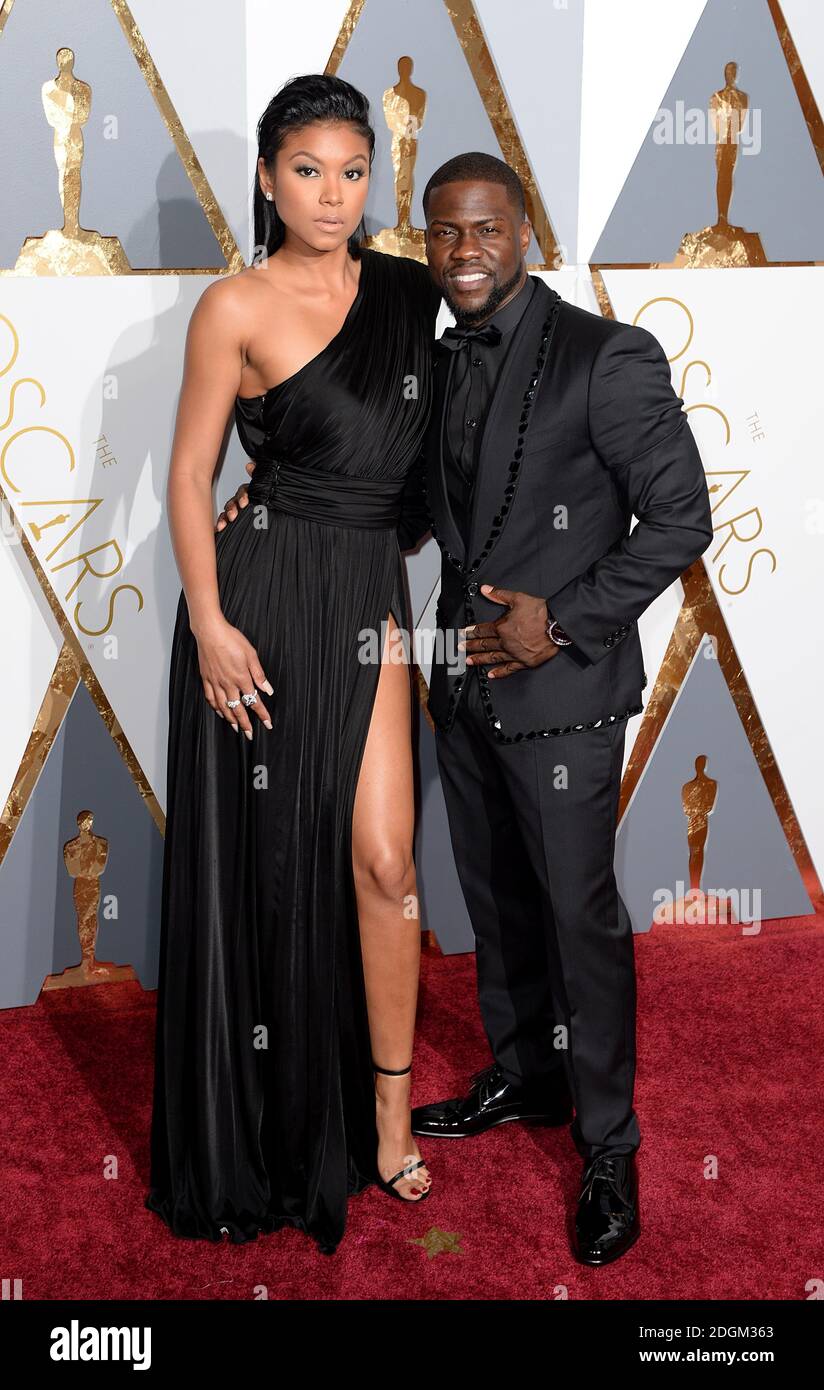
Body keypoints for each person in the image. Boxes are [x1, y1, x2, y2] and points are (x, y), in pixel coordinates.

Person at [218, 151, 714, 1266]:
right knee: (493, 902)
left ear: (523, 232)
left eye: (484, 229)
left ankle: (606, 1144)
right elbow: (404, 508)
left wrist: (567, 617)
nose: (465, 252)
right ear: (427, 245)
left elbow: (679, 518)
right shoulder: (431, 366)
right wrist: (279, 497)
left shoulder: (605, 354)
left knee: (577, 919)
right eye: (444, 234)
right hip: (461, 690)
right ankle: (525, 1073)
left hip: (567, 693)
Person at [144, 74, 443, 1258]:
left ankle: (383, 1110)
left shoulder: (413, 293)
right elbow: (186, 474)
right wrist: (210, 623)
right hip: (258, 612)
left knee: (384, 857)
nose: (332, 192)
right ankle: (263, 1125)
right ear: (267, 178)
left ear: (377, 178)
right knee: (265, 868)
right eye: (308, 169)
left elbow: (445, 434)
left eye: (353, 169)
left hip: (368, 594)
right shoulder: (233, 304)